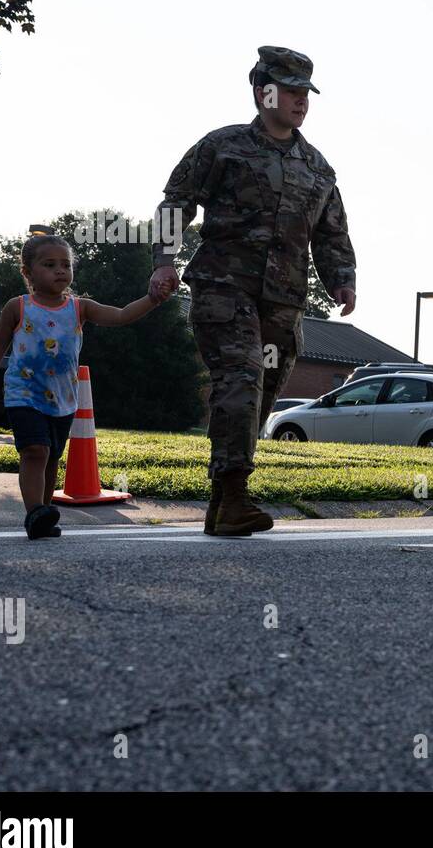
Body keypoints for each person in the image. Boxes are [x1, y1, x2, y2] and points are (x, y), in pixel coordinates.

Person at [148, 46, 357, 537]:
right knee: (240, 378)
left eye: (305, 92)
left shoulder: (317, 166)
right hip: (224, 288)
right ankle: (237, 495)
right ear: (263, 90)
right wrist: (163, 261)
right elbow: (176, 202)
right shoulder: (223, 146)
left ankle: (223, 503)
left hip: (282, 303)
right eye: (289, 90)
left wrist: (343, 278)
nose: (299, 100)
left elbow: (331, 231)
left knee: (256, 397)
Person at [0, 228, 169, 539]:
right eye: (49, 265)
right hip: (24, 393)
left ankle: (43, 515)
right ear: (27, 272)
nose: (60, 270)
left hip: (63, 398)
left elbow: (120, 316)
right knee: (34, 451)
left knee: (51, 457)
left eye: (65, 264)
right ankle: (34, 511)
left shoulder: (80, 307)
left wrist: (152, 299)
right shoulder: (19, 306)